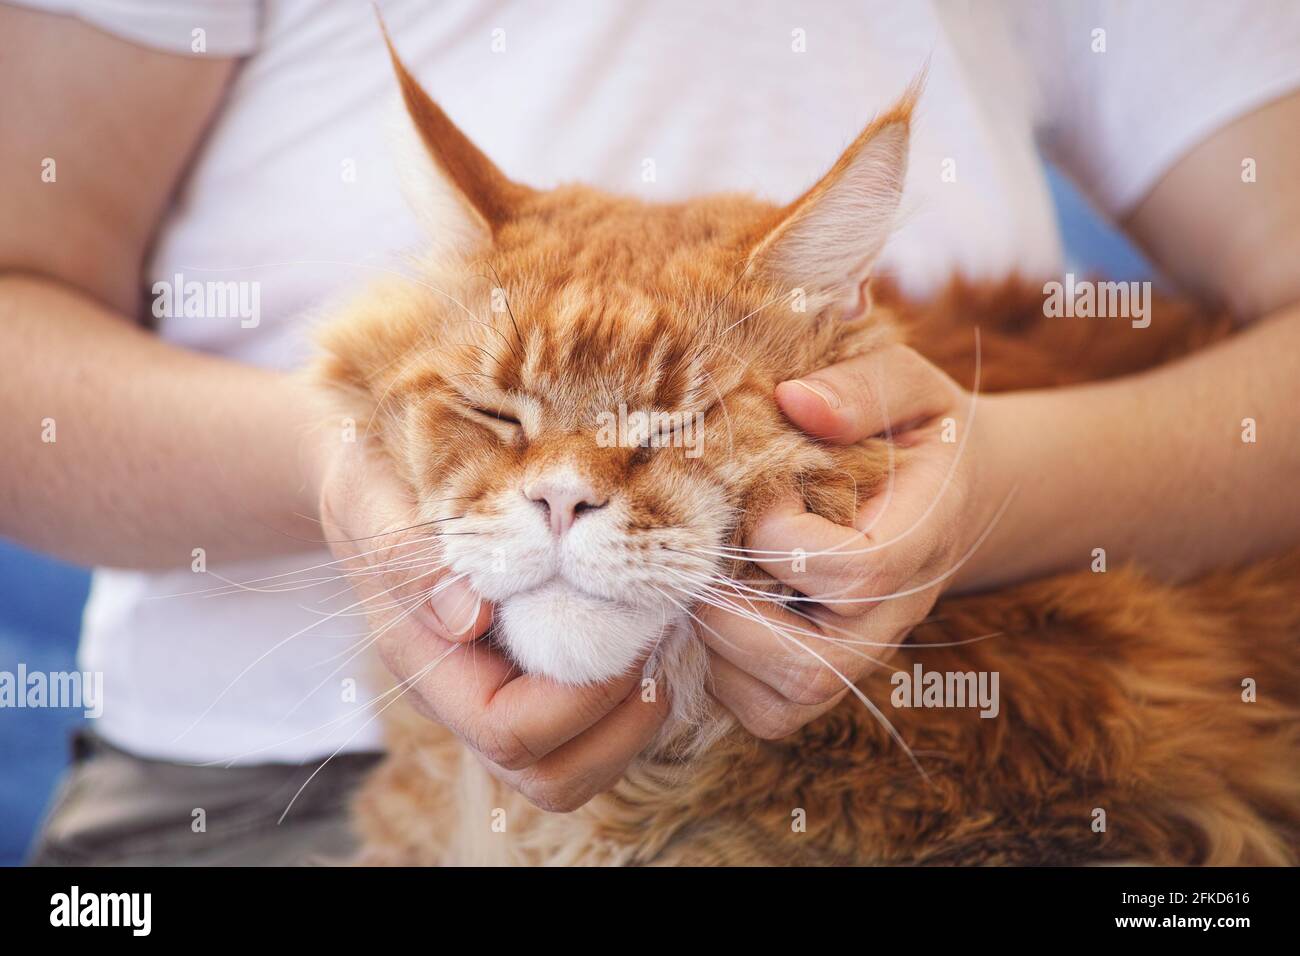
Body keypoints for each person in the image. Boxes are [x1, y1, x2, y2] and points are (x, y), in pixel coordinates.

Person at [4, 0, 1298, 864]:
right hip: (245, 782)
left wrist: (1011, 488)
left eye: (661, 429)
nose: (564, 491)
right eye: (505, 422)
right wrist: (333, 472)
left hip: (931, 675)